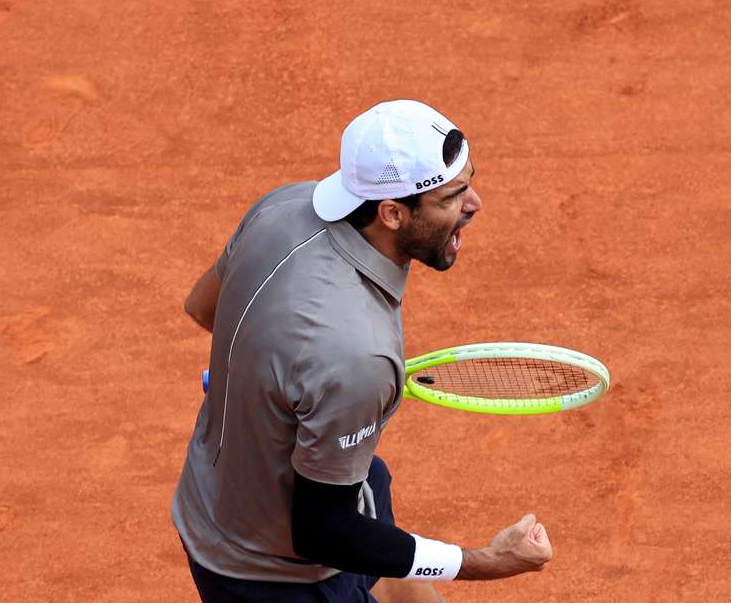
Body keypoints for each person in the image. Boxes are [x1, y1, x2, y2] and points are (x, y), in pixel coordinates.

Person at [172, 100, 553, 603]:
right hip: (277, 575)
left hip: (229, 492)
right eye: (452, 198)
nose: (474, 204)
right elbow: (325, 532)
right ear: (392, 213)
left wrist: (272, 384)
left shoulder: (283, 207)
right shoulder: (356, 357)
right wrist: (487, 560)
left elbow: (204, 309)